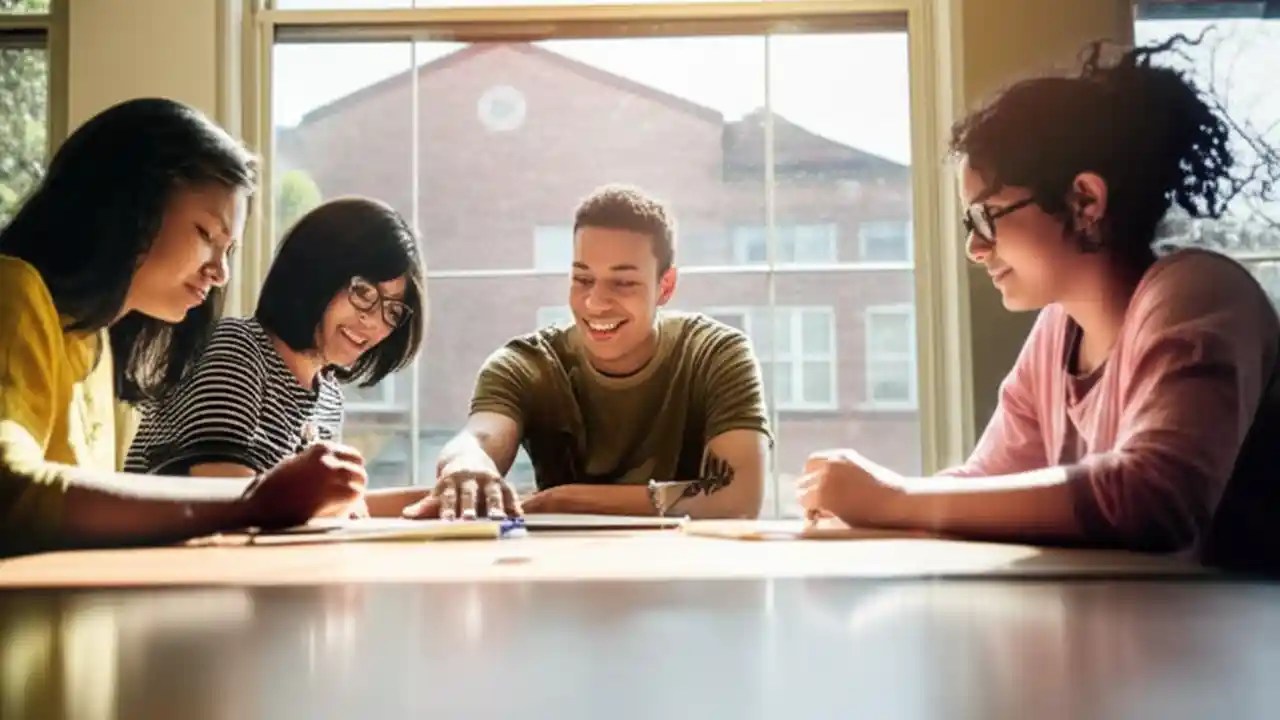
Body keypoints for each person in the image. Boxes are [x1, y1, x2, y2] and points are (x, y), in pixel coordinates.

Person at [798, 37, 1280, 571]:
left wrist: (894, 499)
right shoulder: (1059, 331)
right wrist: (874, 508)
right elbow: (988, 487)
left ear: (1085, 201)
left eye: (988, 216)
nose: (975, 248)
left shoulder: (1198, 293)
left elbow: (1155, 497)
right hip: (1153, 636)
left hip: (1245, 643)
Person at [0, 97, 366, 555]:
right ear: (129, 208)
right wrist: (254, 498)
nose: (220, 273)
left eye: (228, 250)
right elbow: (10, 492)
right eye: (206, 235)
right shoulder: (13, 293)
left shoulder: (103, 349)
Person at [371, 184, 771, 520]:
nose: (596, 303)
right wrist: (465, 462)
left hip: (688, 586)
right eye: (583, 278)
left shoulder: (716, 353)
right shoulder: (527, 363)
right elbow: (480, 436)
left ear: (664, 287)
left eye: (623, 283)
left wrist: (566, 498)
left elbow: (739, 500)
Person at [125, 197, 425, 486]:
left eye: (394, 309)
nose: (374, 321)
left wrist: (430, 500)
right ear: (315, 274)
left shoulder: (328, 398)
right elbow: (226, 498)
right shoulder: (236, 349)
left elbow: (314, 510)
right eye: (363, 293)